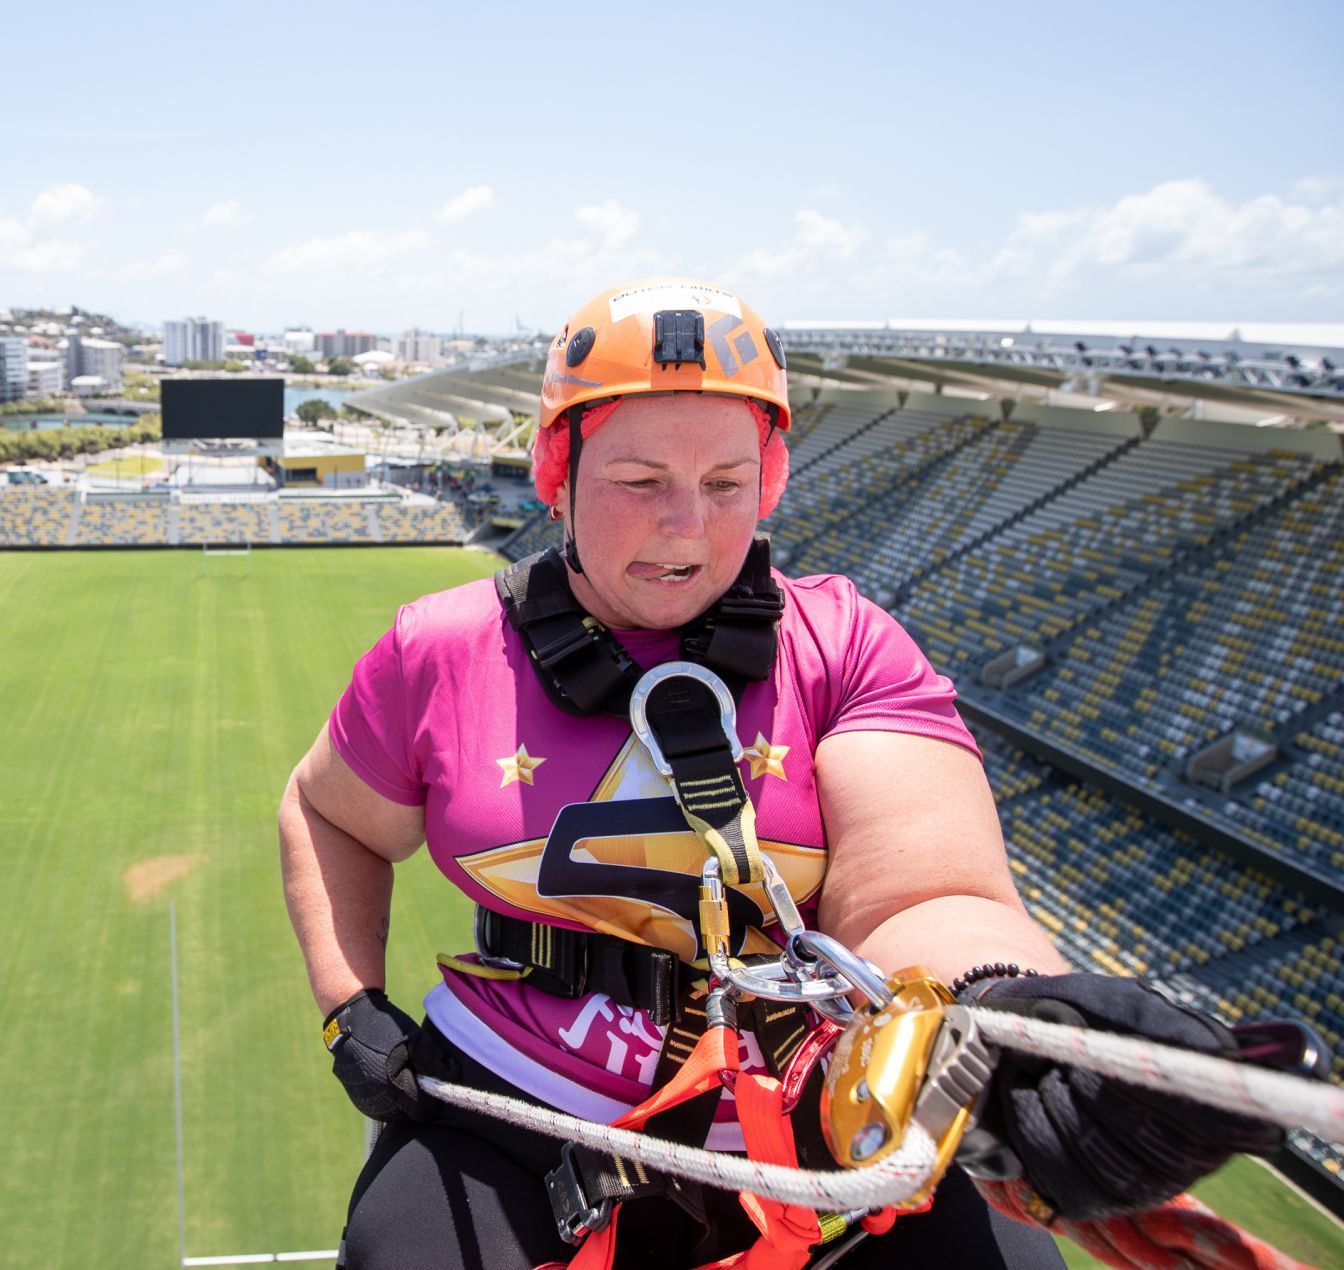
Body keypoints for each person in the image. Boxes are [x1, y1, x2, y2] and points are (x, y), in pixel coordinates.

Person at [279, 278, 1284, 1270]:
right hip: (514, 1092)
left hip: (818, 1113)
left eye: (725, 484)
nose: (687, 525)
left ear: (768, 478)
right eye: (638, 482)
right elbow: (328, 814)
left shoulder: (848, 644)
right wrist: (349, 1003)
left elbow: (924, 888)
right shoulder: (439, 651)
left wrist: (1007, 1010)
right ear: (557, 468)